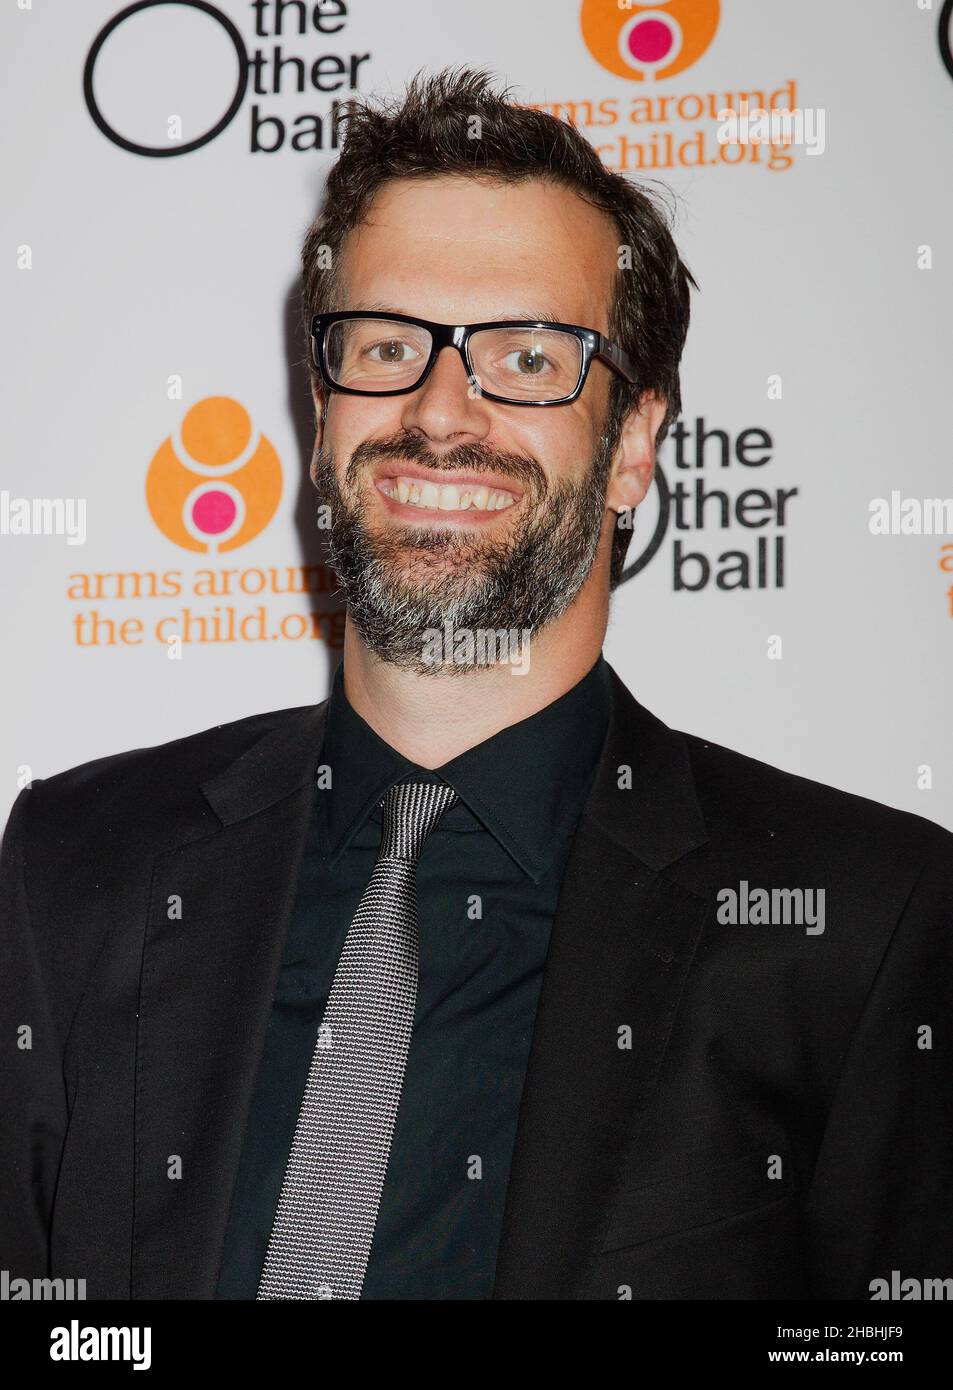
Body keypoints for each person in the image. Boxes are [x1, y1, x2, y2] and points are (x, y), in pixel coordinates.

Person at [2, 68, 951, 1302]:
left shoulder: (857, 920)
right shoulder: (79, 864)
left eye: (527, 357)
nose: (440, 412)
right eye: (387, 345)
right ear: (319, 404)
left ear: (633, 446)